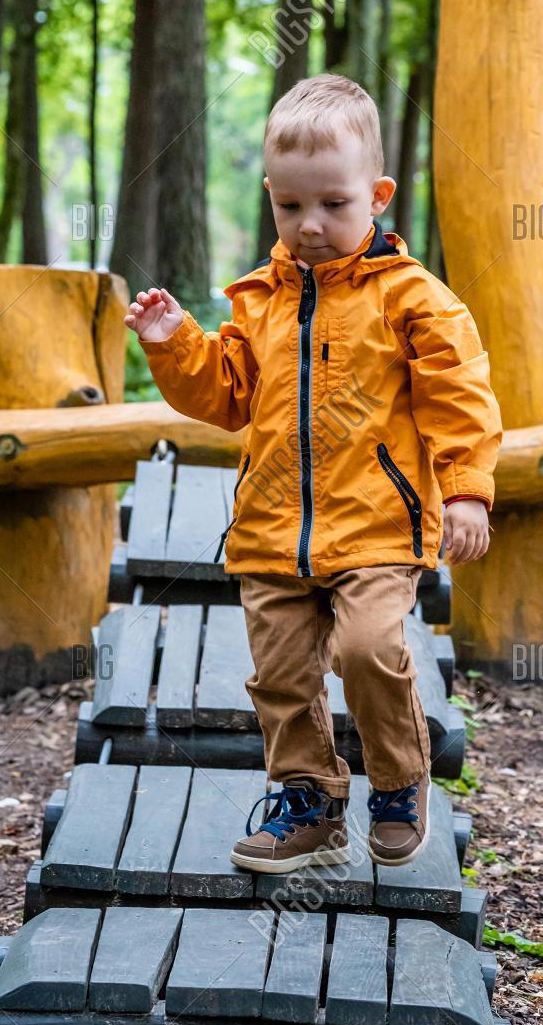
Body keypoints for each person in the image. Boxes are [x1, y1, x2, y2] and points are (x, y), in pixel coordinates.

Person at [125, 73, 503, 871]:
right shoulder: (258, 300)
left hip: (375, 526)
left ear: (378, 194)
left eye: (334, 203)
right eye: (290, 206)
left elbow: (458, 398)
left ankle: (400, 780)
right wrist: (173, 341)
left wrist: (466, 490)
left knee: (368, 648)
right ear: (271, 198)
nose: (312, 225)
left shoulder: (414, 300)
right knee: (281, 677)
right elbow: (226, 396)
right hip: (271, 532)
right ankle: (309, 801)